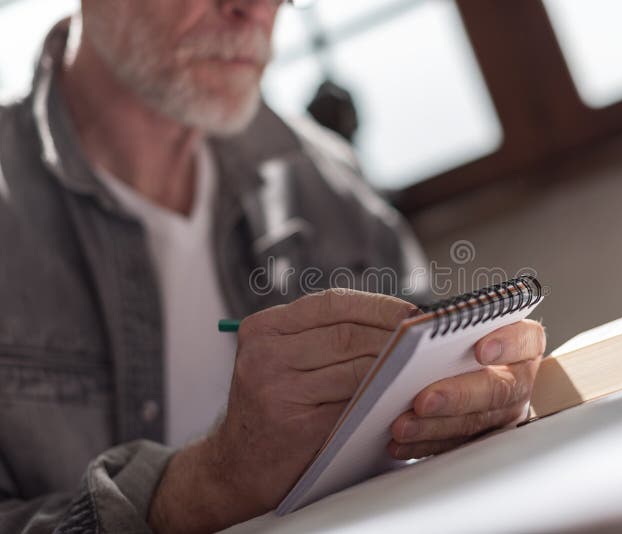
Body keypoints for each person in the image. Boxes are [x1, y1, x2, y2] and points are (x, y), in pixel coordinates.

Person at [0, 0, 546, 532]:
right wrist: (200, 492)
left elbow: (439, 405)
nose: (255, 9)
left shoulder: (326, 181)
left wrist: (478, 405)